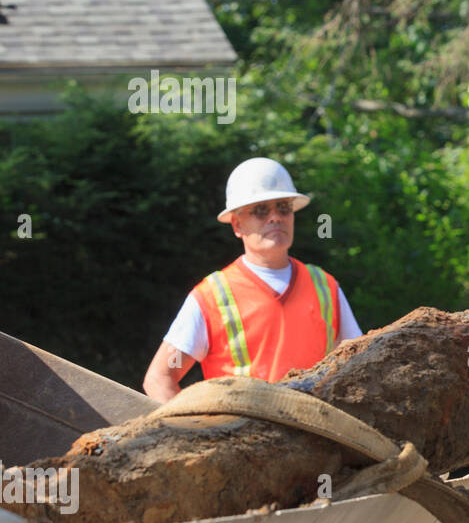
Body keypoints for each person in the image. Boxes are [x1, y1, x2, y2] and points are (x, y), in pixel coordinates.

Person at [143, 157, 361, 402]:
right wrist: (189, 430)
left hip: (315, 432)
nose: (275, 217)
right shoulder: (212, 295)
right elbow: (159, 377)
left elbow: (360, 364)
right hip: (242, 437)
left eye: (283, 207)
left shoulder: (325, 287)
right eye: (260, 210)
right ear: (237, 224)